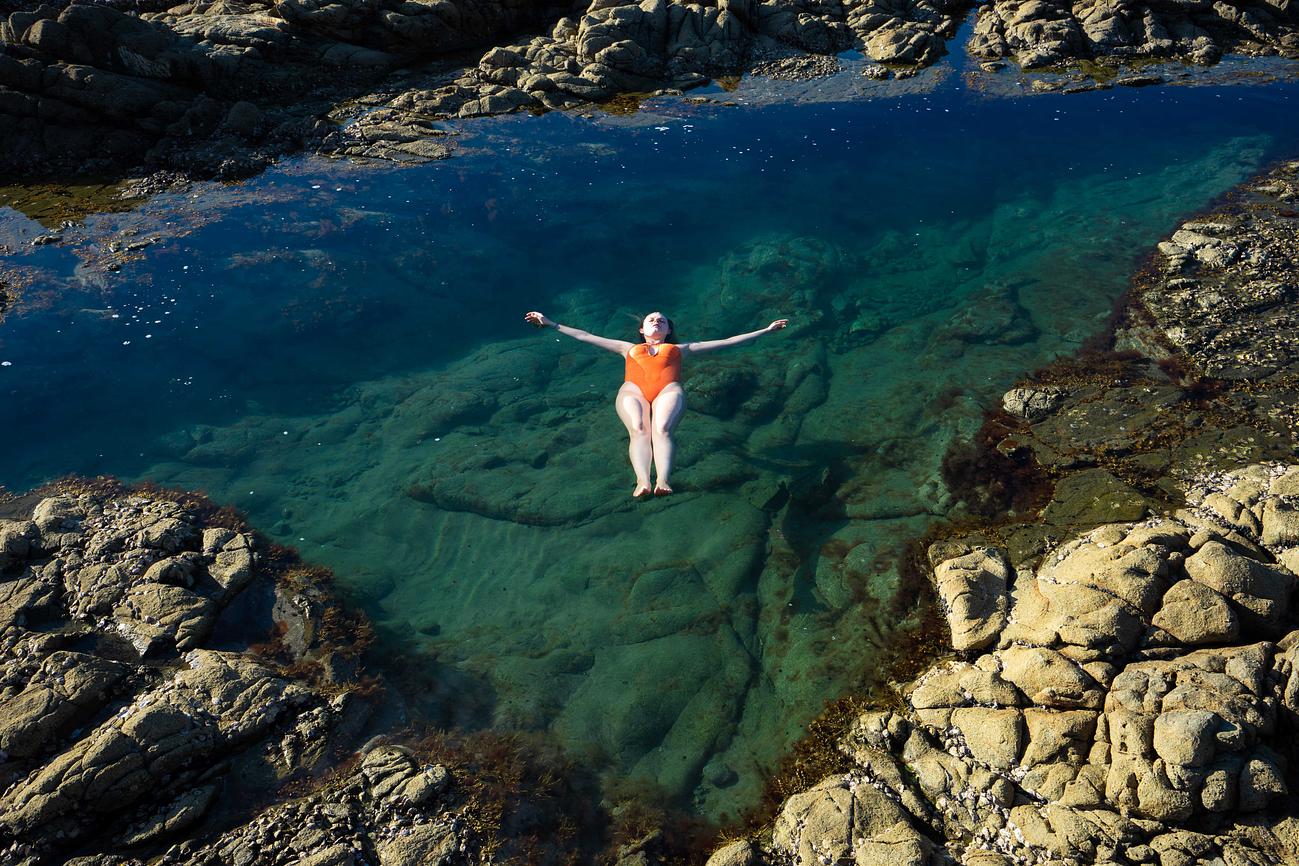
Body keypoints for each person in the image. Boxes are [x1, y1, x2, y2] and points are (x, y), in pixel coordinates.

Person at [524, 310, 789, 497]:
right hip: (633, 391)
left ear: (669, 330)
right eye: (651, 319)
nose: (657, 321)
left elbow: (727, 342)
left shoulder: (681, 349)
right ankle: (642, 482)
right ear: (642, 330)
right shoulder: (626, 347)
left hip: (668, 390)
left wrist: (766, 330)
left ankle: (663, 480)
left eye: (662, 321)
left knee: (661, 430)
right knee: (639, 429)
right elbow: (584, 335)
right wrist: (550, 323)